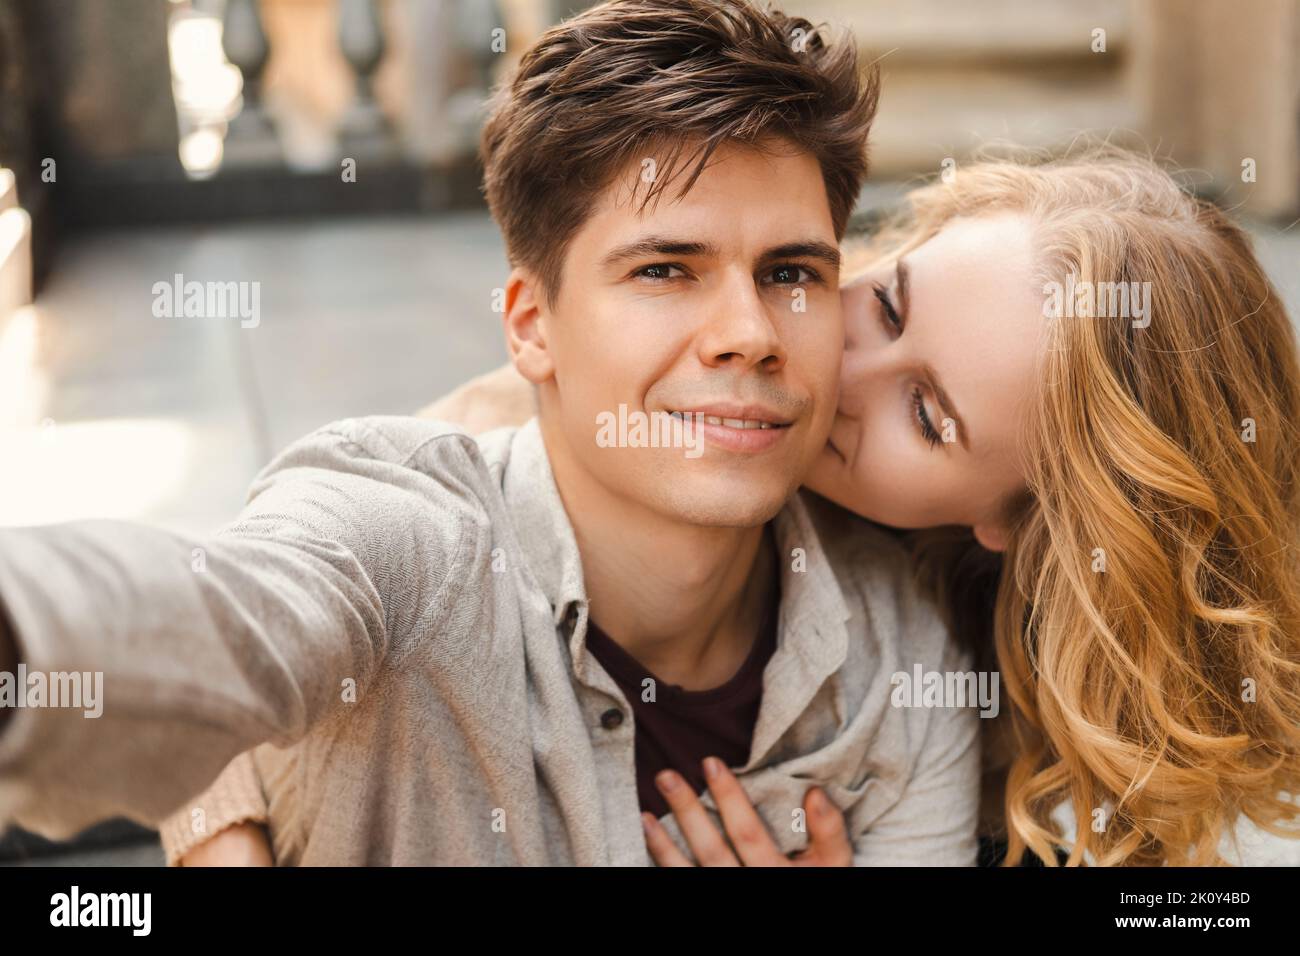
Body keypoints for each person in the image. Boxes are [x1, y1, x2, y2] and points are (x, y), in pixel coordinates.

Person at [0, 0, 982, 866]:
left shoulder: (897, 661)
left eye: (791, 273)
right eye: (663, 269)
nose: (751, 336)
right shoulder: (405, 542)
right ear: (529, 326)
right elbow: (222, 613)